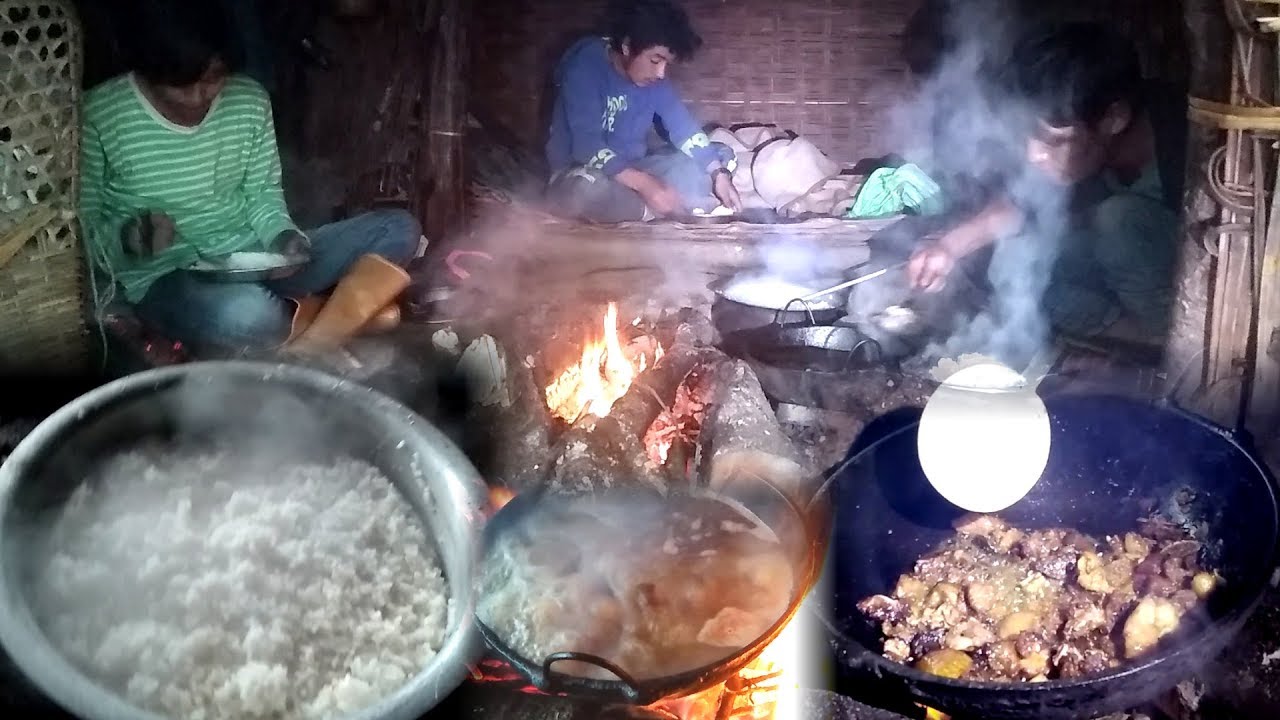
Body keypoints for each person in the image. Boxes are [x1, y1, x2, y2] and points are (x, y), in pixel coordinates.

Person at [79, 1, 421, 356]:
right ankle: (335, 317)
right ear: (146, 69)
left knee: (398, 228)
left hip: (253, 254)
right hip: (167, 278)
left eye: (213, 78)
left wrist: (284, 238)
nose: (200, 97)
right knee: (250, 316)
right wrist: (132, 239)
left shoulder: (249, 100)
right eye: (181, 85)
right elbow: (83, 237)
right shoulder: (99, 116)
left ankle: (307, 332)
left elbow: (262, 193)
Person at [904, 22, 1187, 344]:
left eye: (1052, 140)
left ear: (1114, 119)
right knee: (1015, 262)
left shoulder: (1187, 145)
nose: (1033, 154)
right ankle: (1128, 340)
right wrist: (947, 247)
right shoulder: (1083, 140)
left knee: (1119, 219)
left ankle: (1169, 343)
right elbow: (1021, 203)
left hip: (1184, 290)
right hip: (1125, 275)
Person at [544, 0, 742, 223]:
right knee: (585, 190)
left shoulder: (654, 82)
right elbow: (587, 147)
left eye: (666, 63)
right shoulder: (585, 66)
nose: (661, 73)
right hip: (583, 171)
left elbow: (683, 128)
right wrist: (647, 185)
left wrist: (718, 174)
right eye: (655, 60)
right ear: (627, 46)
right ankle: (650, 209)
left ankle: (646, 206)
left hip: (634, 170)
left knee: (722, 155)